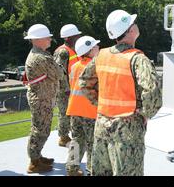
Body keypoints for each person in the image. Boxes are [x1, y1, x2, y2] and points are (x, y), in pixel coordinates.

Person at [79, 10, 162, 176]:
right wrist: (144, 114)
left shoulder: (101, 55)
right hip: (127, 130)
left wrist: (100, 104)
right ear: (131, 31)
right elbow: (153, 94)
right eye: (134, 23)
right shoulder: (138, 59)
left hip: (102, 125)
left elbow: (84, 83)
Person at [23, 24, 64, 174]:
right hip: (42, 100)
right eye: (47, 37)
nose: (50, 39)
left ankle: (37, 157)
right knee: (41, 130)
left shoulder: (38, 54)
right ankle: (34, 162)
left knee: (40, 129)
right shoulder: (42, 57)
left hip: (42, 98)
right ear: (38, 39)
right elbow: (59, 73)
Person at [65, 36, 100, 176]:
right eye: (95, 46)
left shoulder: (75, 66)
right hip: (90, 112)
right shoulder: (94, 67)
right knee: (93, 144)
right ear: (89, 50)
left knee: (76, 141)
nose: (98, 47)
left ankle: (71, 169)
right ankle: (92, 171)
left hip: (74, 110)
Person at [54, 24, 82, 147]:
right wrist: (65, 89)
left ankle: (68, 134)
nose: (78, 37)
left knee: (71, 113)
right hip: (64, 90)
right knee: (64, 113)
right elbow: (59, 72)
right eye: (76, 35)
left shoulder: (72, 50)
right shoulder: (63, 52)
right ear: (68, 37)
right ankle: (63, 137)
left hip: (72, 88)